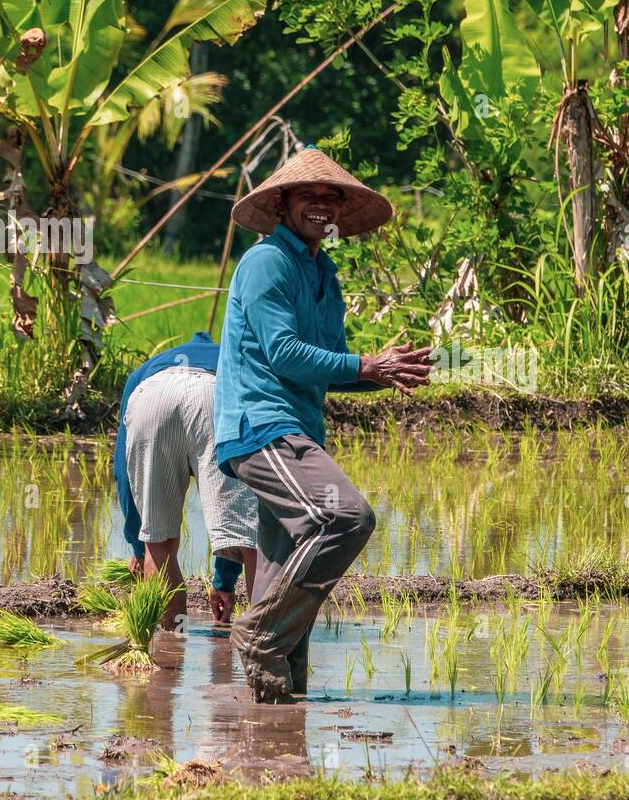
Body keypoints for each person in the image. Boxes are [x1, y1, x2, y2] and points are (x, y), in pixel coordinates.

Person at [215, 147, 432, 703]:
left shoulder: (323, 273)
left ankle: (273, 718)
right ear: (282, 202)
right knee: (344, 517)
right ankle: (261, 635)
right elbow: (284, 355)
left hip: (299, 429)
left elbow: (327, 363)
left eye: (332, 197)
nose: (322, 205)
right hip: (263, 428)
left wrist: (380, 372)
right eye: (309, 194)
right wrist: (366, 364)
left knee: (282, 565)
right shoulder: (267, 263)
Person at [114, 331, 259, 628]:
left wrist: (139, 547)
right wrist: (225, 581)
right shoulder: (237, 360)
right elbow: (238, 514)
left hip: (152, 397)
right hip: (216, 394)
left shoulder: (147, 369)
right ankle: (266, 646)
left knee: (161, 543)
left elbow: (122, 471)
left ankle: (170, 651)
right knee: (249, 540)